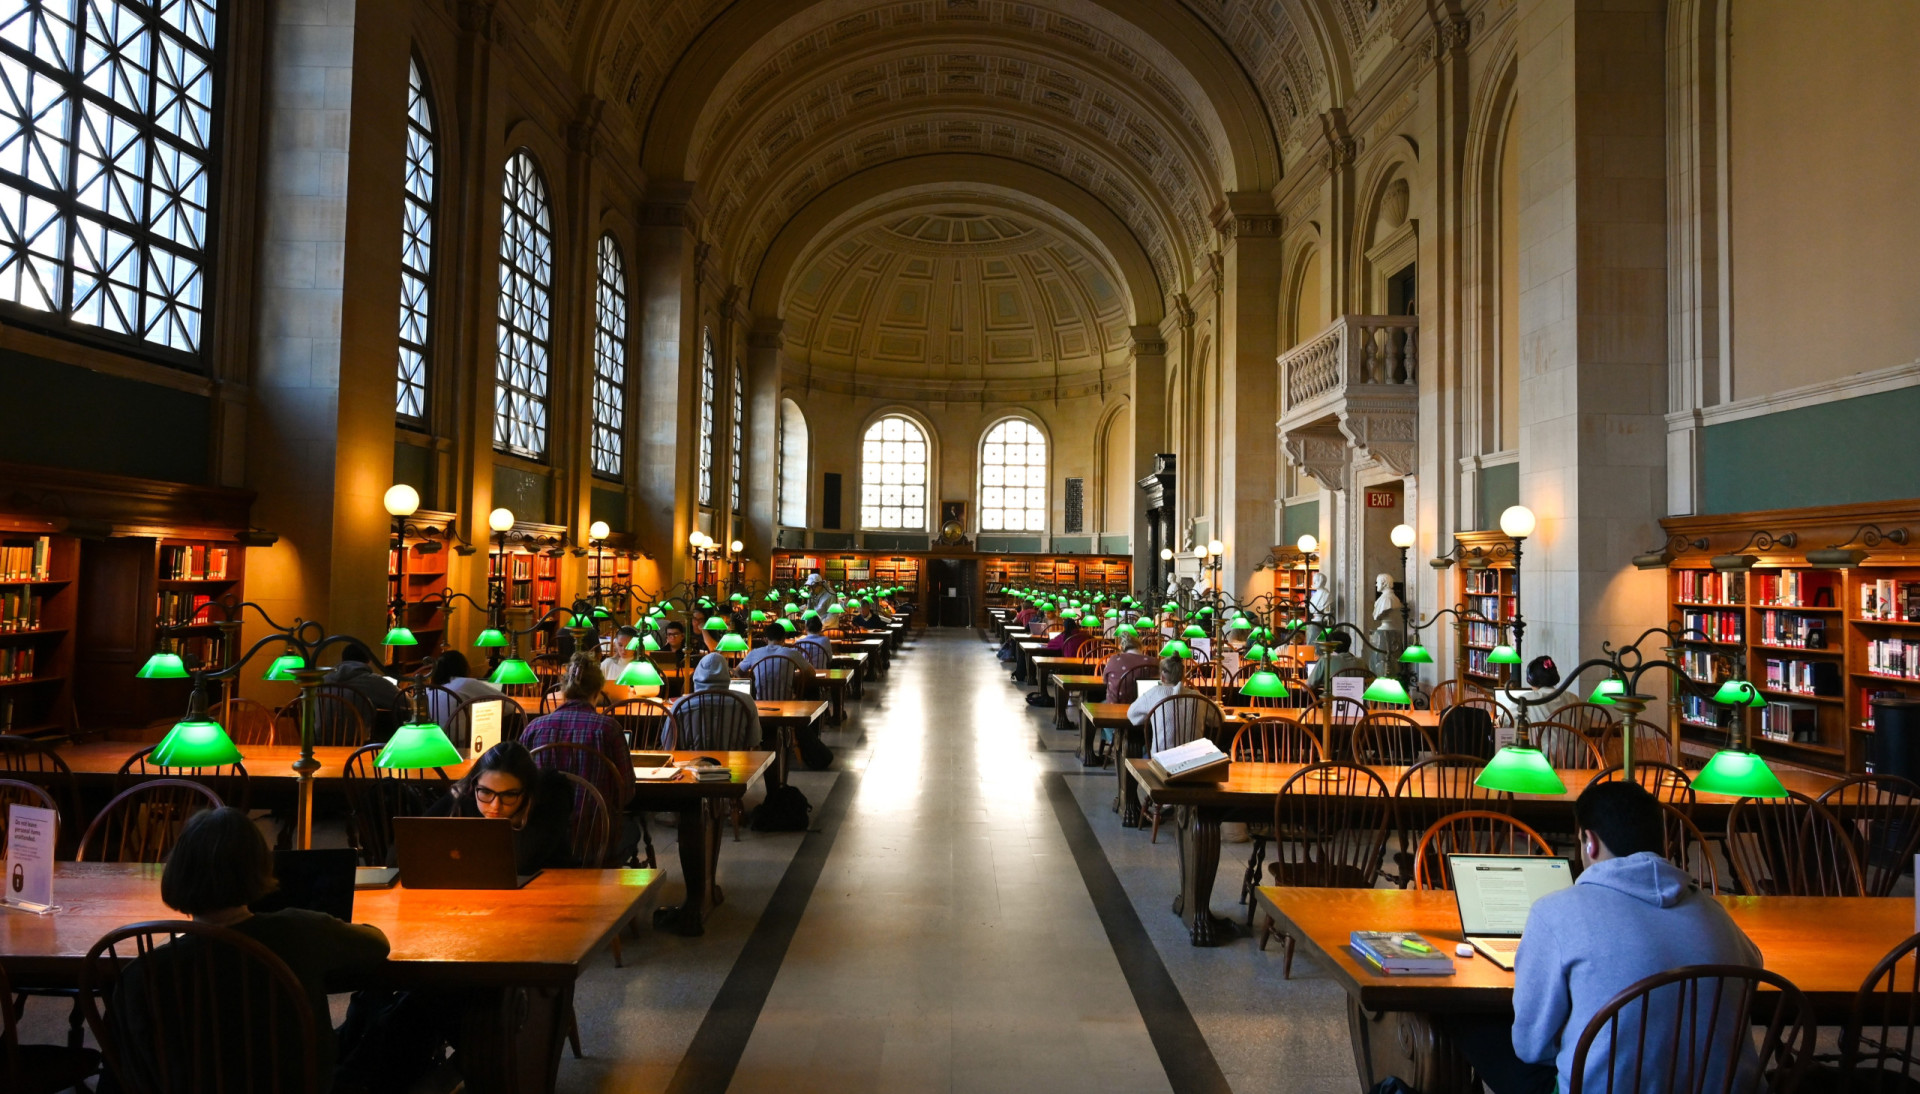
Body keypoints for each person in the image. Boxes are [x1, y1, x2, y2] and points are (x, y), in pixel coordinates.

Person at [1440, 781, 1764, 1094]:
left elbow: (1531, 1047)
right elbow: (1754, 967)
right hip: (1721, 1088)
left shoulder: (1555, 911)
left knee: (1460, 1014)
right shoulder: (1714, 913)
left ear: (1590, 841)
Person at [132, 808, 390, 1088]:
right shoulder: (301, 929)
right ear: (260, 865)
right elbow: (377, 944)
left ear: (176, 870)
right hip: (293, 1085)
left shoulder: (146, 969)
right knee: (400, 1007)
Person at [519, 654, 637, 861]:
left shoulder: (534, 728)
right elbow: (625, 793)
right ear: (597, 691)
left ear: (564, 690)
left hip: (541, 841)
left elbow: (518, 783)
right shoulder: (608, 729)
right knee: (632, 829)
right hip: (595, 838)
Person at [425, 741, 575, 874]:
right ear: (473, 785)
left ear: (526, 792)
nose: (495, 806)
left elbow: (519, 863)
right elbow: (419, 835)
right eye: (486, 792)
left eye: (509, 795)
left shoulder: (552, 797)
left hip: (550, 887)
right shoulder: (468, 793)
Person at [666, 652, 762, 750]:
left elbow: (668, 744)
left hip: (690, 760)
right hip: (734, 760)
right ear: (727, 674)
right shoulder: (746, 701)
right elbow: (754, 741)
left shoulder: (680, 705)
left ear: (696, 675)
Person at [1127, 655, 1224, 750]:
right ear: (1183, 677)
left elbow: (1132, 715)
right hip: (1194, 758)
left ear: (1162, 677)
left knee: (1141, 748)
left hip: (1161, 758)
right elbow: (1220, 718)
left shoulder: (1154, 693)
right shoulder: (1198, 697)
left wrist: (1152, 716)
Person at [324, 642, 408, 739]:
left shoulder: (323, 680)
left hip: (318, 740)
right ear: (369, 661)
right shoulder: (372, 682)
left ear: (343, 660)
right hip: (355, 742)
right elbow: (405, 702)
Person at [425, 649, 520, 728]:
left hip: (433, 739)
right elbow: (510, 705)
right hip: (461, 741)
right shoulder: (465, 683)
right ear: (463, 667)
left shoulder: (428, 689)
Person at [739, 622, 815, 699]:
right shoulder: (793, 653)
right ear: (783, 639)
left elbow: (738, 672)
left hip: (760, 703)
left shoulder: (754, 653)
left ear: (766, 639)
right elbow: (812, 673)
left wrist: (754, 676)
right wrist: (794, 676)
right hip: (788, 703)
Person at [1101, 631, 1158, 703]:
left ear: (1122, 648)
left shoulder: (1114, 659)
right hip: (1144, 705)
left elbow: (1105, 681)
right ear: (1140, 647)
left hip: (1115, 705)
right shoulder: (1153, 662)